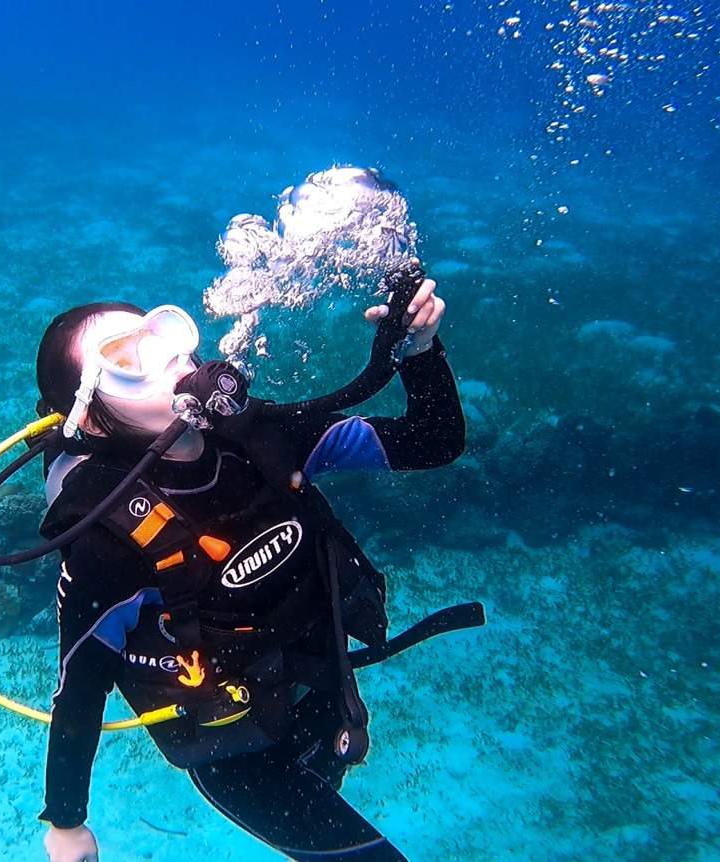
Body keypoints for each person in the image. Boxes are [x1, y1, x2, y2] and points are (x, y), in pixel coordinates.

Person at [35, 271, 464, 862]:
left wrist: (419, 352)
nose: (170, 361)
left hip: (322, 691)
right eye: (128, 359)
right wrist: (66, 823)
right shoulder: (108, 540)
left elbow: (434, 440)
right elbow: (80, 683)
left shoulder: (263, 442)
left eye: (162, 334)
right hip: (235, 754)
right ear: (94, 417)